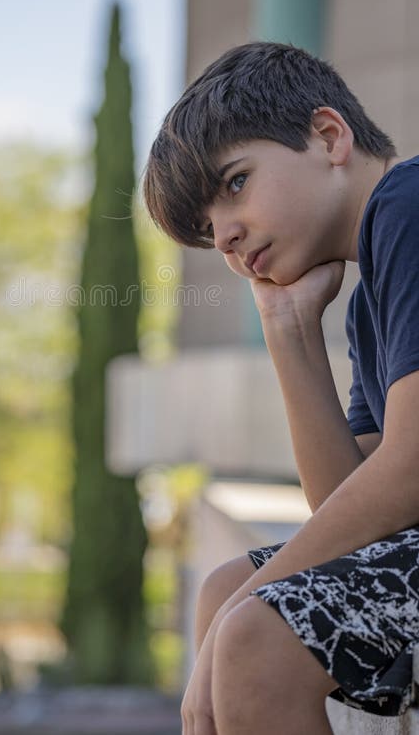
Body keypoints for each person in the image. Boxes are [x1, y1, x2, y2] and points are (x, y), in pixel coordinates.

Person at [142, 42, 419, 734]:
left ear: (328, 137)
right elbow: (350, 511)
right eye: (210, 232)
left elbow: (409, 469)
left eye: (235, 183)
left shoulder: (407, 205)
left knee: (252, 627)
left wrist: (255, 605)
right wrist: (288, 330)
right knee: (223, 590)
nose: (227, 237)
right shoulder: (368, 300)